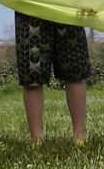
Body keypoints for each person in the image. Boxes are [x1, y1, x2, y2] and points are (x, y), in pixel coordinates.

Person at [14, 11, 89, 145]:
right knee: (32, 74)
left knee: (75, 69)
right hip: (30, 5)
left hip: (68, 5)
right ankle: (36, 139)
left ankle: (80, 136)